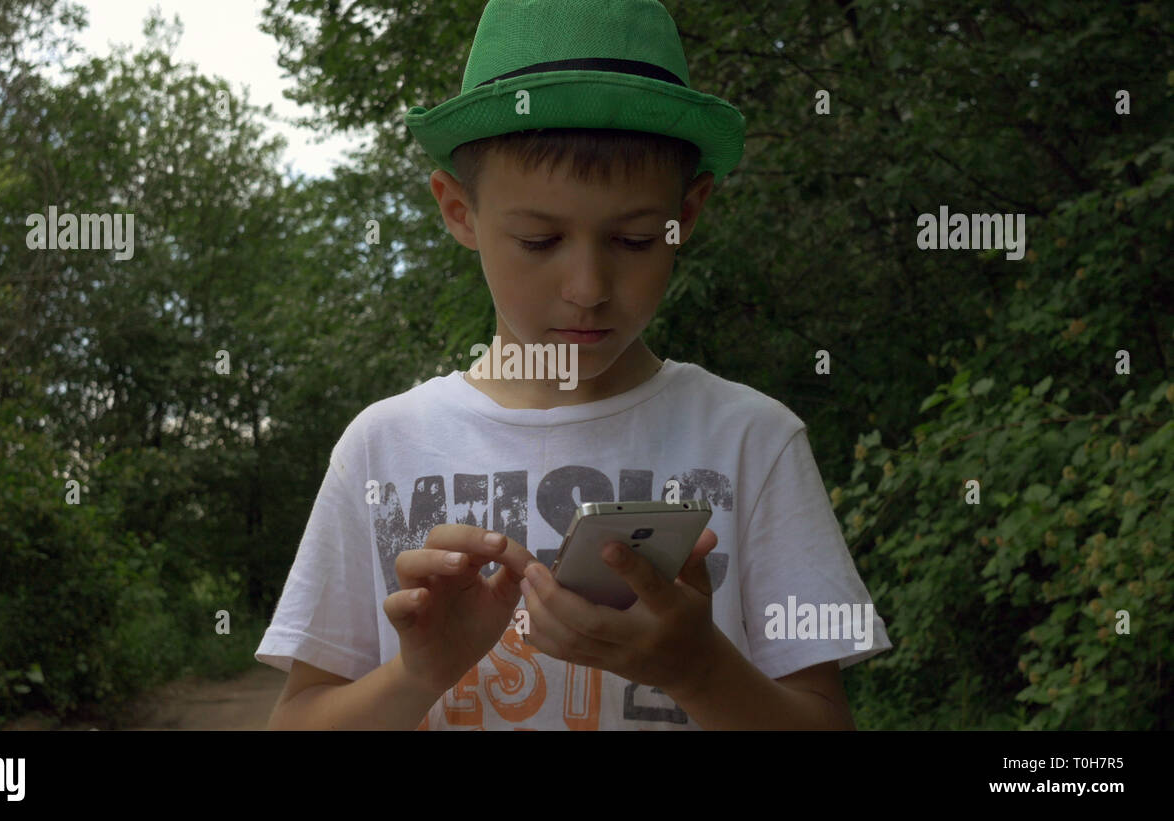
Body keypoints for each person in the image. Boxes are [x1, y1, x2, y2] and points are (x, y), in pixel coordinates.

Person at [256, 0, 891, 730]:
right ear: (458, 210)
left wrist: (699, 668)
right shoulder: (380, 447)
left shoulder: (755, 441)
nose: (587, 288)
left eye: (634, 240)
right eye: (538, 239)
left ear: (690, 212)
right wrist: (419, 671)